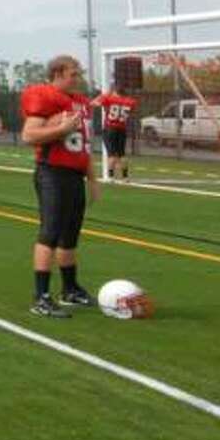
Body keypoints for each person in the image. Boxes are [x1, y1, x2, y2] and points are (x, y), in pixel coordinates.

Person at [21, 55, 98, 317]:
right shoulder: (45, 96)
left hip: (74, 174)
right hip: (51, 173)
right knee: (50, 233)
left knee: (70, 237)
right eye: (72, 73)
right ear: (58, 74)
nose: (77, 78)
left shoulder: (80, 103)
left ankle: (70, 289)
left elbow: (84, 147)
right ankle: (40, 296)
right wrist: (61, 129)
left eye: (78, 73)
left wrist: (93, 179)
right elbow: (29, 135)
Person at [93, 86, 137, 181]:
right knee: (122, 154)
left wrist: (104, 95)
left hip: (110, 128)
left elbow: (94, 103)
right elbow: (131, 111)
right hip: (122, 129)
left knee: (111, 154)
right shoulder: (130, 102)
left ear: (116, 92)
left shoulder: (109, 99)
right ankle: (125, 176)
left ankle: (111, 176)